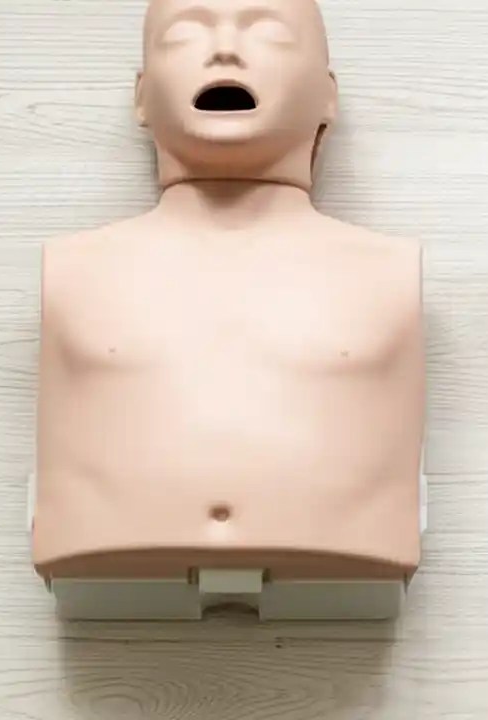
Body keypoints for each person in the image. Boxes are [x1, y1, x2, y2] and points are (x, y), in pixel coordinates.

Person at [32, 0, 426, 588]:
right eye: (183, 34)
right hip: (101, 570)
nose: (224, 49)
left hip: (353, 569)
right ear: (140, 97)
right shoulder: (71, 266)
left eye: (268, 33)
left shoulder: (393, 268)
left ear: (327, 95)